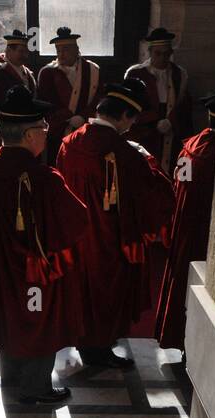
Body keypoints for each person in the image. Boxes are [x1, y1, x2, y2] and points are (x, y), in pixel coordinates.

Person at [0, 87, 89, 405]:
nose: (46, 134)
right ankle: (35, 386)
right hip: (32, 270)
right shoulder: (43, 178)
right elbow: (77, 221)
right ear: (30, 134)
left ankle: (11, 375)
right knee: (38, 320)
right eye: (44, 128)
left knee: (7, 314)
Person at [57, 79, 173, 368]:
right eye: (131, 120)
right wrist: (149, 159)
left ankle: (86, 343)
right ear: (123, 116)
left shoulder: (69, 142)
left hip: (74, 235)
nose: (130, 127)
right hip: (109, 239)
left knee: (81, 291)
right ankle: (99, 351)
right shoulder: (125, 154)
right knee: (105, 293)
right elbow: (158, 193)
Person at [155, 91, 215, 356]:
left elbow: (178, 182)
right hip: (201, 230)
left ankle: (177, 338)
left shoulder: (192, 144)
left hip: (182, 222)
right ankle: (191, 346)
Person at [124, 27, 193, 174]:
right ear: (149, 52)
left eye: (166, 54)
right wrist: (155, 121)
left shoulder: (179, 74)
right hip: (145, 131)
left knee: (173, 170)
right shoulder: (135, 73)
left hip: (172, 129)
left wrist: (170, 121)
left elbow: (185, 105)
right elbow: (129, 106)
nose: (162, 58)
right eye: (158, 53)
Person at [36, 27, 100, 166]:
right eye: (58, 50)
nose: (61, 54)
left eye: (65, 50)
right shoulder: (47, 73)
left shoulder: (92, 70)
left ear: (76, 49)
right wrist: (67, 118)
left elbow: (98, 99)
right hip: (58, 130)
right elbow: (45, 102)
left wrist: (83, 117)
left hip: (85, 129)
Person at [0, 30, 37, 152]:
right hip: (4, 131)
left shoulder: (27, 73)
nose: (25, 55)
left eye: (26, 52)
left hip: (25, 129)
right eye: (21, 51)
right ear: (9, 51)